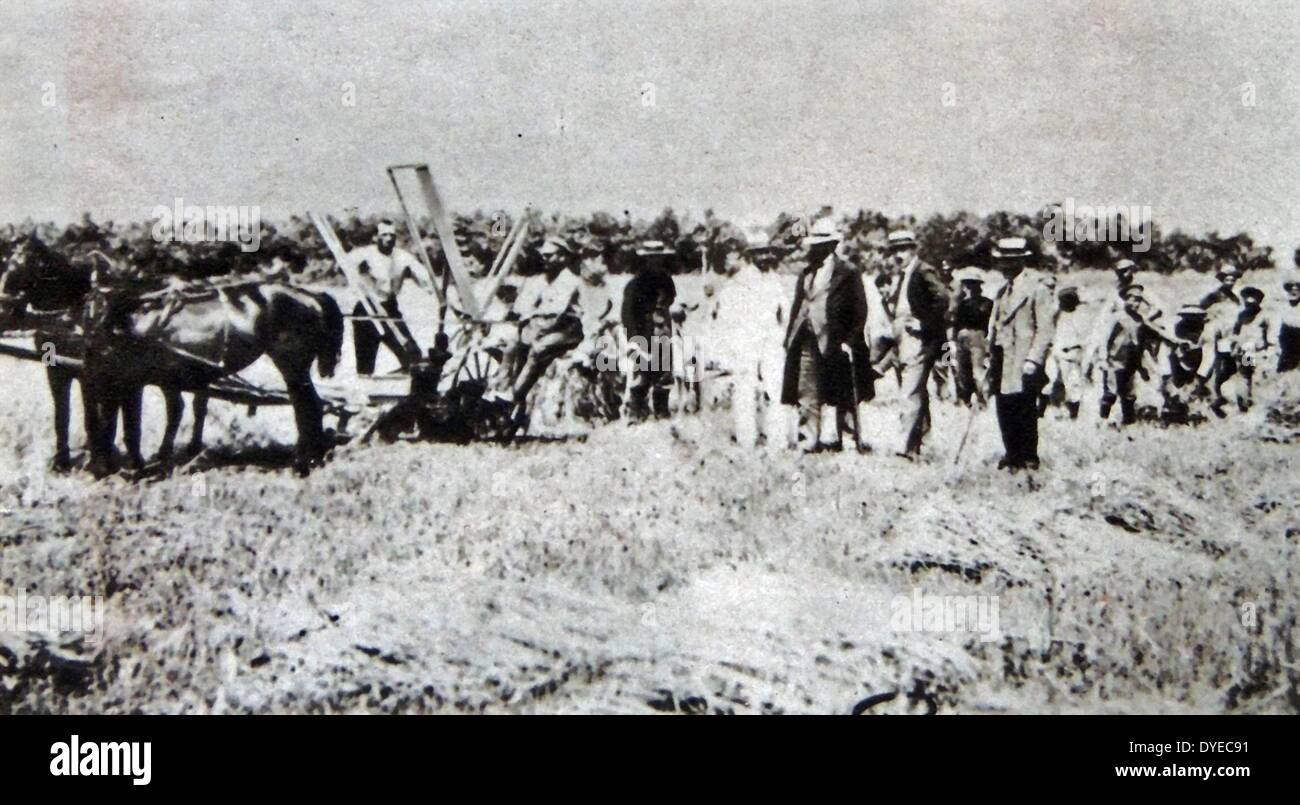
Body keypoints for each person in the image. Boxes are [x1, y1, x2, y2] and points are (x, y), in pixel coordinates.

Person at [780, 220, 873, 453]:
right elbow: (799, 305)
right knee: (806, 389)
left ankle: (850, 439)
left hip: (836, 340)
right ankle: (809, 439)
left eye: (821, 244)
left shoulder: (848, 272)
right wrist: (790, 335)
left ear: (831, 245)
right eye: (814, 244)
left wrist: (850, 340)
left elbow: (860, 310)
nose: (815, 249)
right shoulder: (806, 272)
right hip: (807, 338)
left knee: (844, 390)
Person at [487, 236, 585, 429]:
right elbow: (524, 306)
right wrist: (518, 313)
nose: (545, 260)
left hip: (566, 331)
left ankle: (513, 399)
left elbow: (556, 312)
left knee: (537, 350)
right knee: (511, 345)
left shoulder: (570, 281)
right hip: (540, 327)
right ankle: (502, 388)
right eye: (543, 256)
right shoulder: (538, 280)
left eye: (549, 256)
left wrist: (528, 316)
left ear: (563, 257)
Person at [877, 230, 949, 458]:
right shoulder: (904, 274)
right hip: (903, 342)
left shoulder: (923, 270)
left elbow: (944, 298)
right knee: (916, 393)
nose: (898, 255)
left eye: (902, 250)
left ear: (912, 250)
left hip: (919, 342)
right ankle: (921, 445)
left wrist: (924, 323)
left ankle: (905, 447)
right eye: (894, 250)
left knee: (908, 394)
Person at [985, 237, 1055, 470]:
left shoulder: (1037, 289)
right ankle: (1011, 454)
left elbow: (1045, 329)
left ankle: (1028, 457)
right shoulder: (1001, 291)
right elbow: (995, 326)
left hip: (1024, 359)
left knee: (1024, 408)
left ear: (1021, 261)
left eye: (1010, 261)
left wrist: (1034, 360)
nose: (1005, 266)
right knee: (1004, 406)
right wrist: (990, 354)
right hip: (1003, 358)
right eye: (1002, 262)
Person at [716, 232, 788, 447]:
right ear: (750, 255)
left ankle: (778, 439)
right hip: (746, 341)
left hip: (771, 340)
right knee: (744, 389)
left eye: (767, 251)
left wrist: (782, 337)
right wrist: (731, 344)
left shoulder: (774, 280)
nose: (765, 256)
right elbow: (725, 316)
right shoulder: (738, 282)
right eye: (759, 252)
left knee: (775, 389)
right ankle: (746, 438)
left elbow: (783, 312)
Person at [345, 220, 435, 375]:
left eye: (392, 235)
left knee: (412, 354)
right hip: (366, 309)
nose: (389, 238)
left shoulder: (403, 257)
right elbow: (343, 264)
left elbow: (426, 279)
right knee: (365, 363)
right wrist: (361, 272)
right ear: (375, 237)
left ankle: (404, 386)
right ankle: (367, 392)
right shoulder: (363, 254)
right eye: (384, 234)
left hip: (390, 309)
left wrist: (436, 292)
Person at [621, 240, 678, 420]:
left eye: (659, 259)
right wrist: (633, 340)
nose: (655, 262)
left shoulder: (667, 280)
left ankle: (661, 409)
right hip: (642, 332)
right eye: (651, 259)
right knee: (642, 371)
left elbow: (670, 302)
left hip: (663, 331)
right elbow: (628, 314)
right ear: (645, 260)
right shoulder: (634, 285)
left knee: (663, 371)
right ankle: (637, 411)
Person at [1095, 284, 1162, 425]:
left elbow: (1142, 343)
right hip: (1115, 361)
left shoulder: (1140, 320)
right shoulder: (1117, 317)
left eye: (1139, 300)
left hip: (1131, 362)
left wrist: (1142, 367)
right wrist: (1103, 358)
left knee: (1129, 394)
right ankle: (1102, 420)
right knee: (1110, 392)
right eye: (1132, 299)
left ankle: (1128, 422)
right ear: (1125, 300)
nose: (1136, 304)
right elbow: (1105, 339)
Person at [949, 267, 993, 408]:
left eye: (971, 284)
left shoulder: (985, 303)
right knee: (963, 371)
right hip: (963, 337)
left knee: (977, 371)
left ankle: (982, 399)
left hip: (976, 336)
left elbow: (980, 319)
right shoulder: (961, 304)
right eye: (967, 284)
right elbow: (954, 322)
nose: (968, 287)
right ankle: (966, 400)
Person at [1158, 304, 1210, 424]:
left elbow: (1206, 348)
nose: (1192, 319)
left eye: (1195, 316)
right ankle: (1171, 412)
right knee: (1175, 386)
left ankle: (1193, 412)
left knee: (1193, 387)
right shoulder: (1177, 329)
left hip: (1194, 360)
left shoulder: (1203, 330)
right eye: (1189, 316)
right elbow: (1169, 347)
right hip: (1176, 360)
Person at [1045, 285, 1087, 418]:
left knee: (1073, 383)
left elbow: (1083, 338)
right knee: (1055, 382)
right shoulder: (1056, 314)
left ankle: (1073, 413)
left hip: (1071, 353)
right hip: (1056, 352)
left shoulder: (1080, 315)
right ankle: (1056, 409)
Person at [1278, 269, 1300, 373]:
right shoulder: (1283, 306)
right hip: (1286, 343)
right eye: (1291, 288)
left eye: (1298, 288)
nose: (1294, 290)